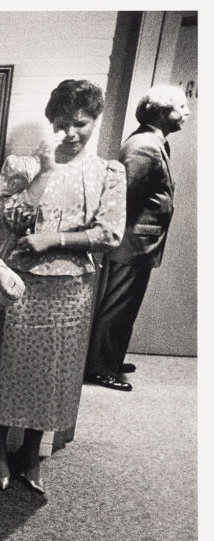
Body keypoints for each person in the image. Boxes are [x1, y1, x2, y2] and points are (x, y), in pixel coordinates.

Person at [0, 79, 126, 496]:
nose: (71, 132)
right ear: (51, 122)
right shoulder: (21, 166)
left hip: (72, 289)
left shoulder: (108, 173)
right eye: (62, 123)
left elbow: (110, 233)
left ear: (95, 121)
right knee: (8, 366)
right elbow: (8, 218)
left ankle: (30, 453)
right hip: (20, 284)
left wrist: (55, 239)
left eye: (80, 123)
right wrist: (42, 175)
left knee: (53, 373)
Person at [85, 85, 190, 391]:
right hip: (131, 242)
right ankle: (100, 367)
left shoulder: (154, 141)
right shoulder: (144, 145)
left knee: (126, 307)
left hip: (141, 242)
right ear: (160, 112)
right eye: (181, 107)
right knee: (118, 306)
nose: (187, 112)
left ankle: (112, 358)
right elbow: (124, 198)